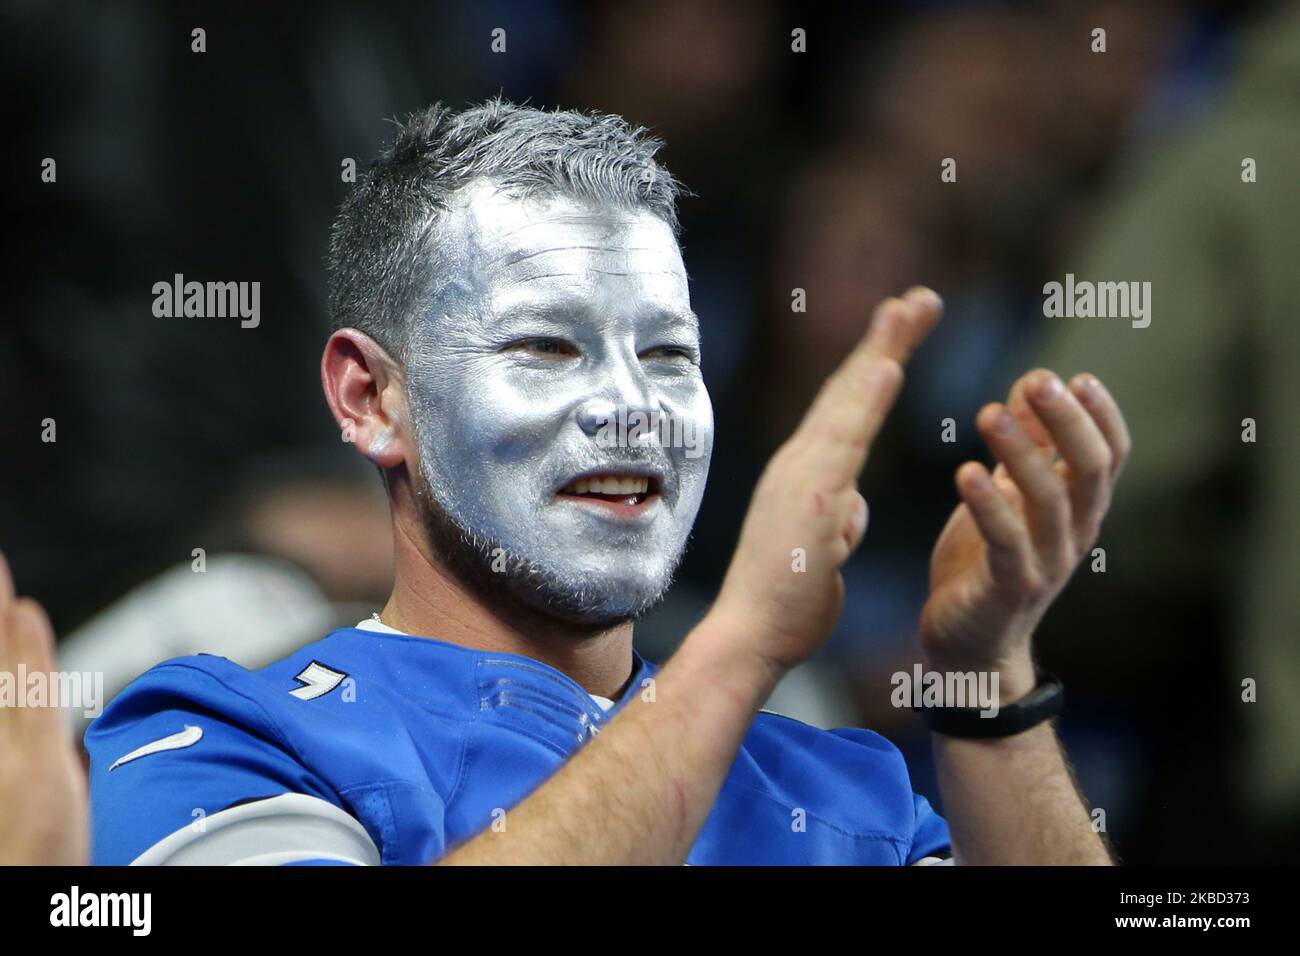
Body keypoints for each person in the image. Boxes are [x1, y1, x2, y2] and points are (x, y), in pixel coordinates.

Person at [80, 99, 1127, 865]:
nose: (632, 409)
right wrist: (741, 647)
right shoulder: (222, 735)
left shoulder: (845, 792)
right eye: (545, 346)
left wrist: (985, 673)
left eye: (668, 354)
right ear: (370, 398)